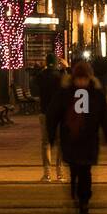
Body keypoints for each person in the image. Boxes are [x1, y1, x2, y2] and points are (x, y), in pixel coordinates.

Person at [47, 61, 107, 214]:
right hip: (71, 139)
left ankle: (83, 202)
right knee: (75, 171)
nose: (82, 82)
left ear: (89, 78)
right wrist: (51, 136)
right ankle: (77, 196)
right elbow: (53, 115)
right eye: (79, 78)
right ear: (74, 78)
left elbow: (106, 116)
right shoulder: (66, 94)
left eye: (84, 79)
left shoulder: (95, 94)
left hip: (88, 141)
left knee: (85, 172)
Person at [36, 52, 67, 182]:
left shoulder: (41, 76)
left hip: (45, 113)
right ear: (57, 63)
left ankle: (47, 173)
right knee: (60, 143)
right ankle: (59, 173)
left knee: (46, 143)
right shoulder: (61, 76)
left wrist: (44, 68)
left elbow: (35, 84)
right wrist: (66, 67)